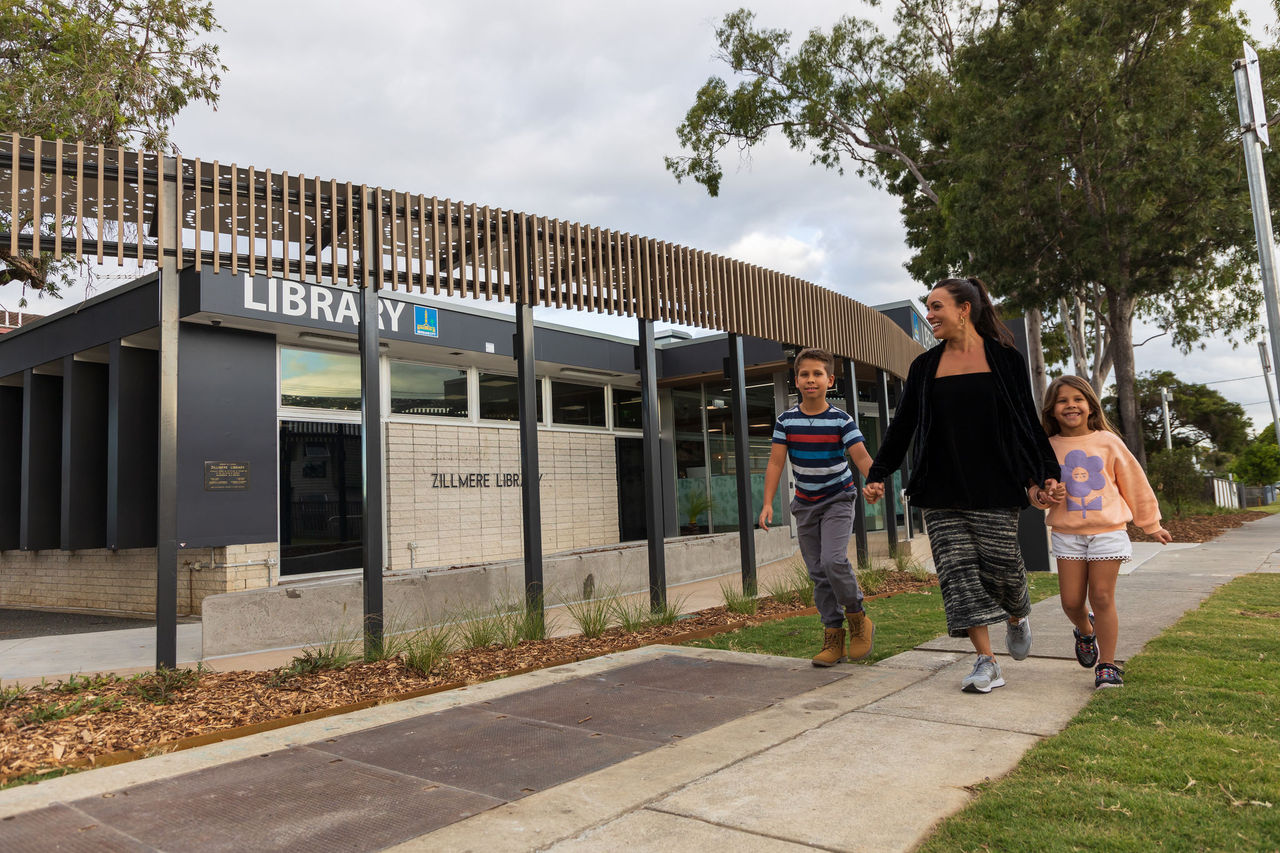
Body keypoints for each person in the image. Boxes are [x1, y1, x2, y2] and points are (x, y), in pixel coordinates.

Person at [863, 276, 1064, 694]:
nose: (930, 314)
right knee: (958, 575)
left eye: (936, 307)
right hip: (940, 487)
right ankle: (986, 661)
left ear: (964, 309)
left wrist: (1046, 472)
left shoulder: (1004, 359)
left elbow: (1024, 420)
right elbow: (904, 426)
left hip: (995, 484)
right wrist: (880, 472)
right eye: (928, 307)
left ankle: (1016, 613)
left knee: (1004, 569)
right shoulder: (924, 366)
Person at [1033, 374, 1172, 689]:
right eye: (1062, 400)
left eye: (1078, 399)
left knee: (1101, 596)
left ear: (1091, 406)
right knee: (1070, 602)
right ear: (1052, 410)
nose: (1071, 405)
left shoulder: (1108, 442)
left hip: (1108, 531)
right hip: (1067, 534)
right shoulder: (1046, 447)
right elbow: (1036, 491)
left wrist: (1151, 524)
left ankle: (1107, 665)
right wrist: (1045, 495)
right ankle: (1085, 630)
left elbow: (1134, 484)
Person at [759, 347, 876, 666]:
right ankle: (833, 636)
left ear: (830, 380)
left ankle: (857, 618)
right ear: (796, 380)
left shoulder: (841, 419)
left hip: (838, 498)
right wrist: (768, 502)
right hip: (805, 505)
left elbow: (862, 457)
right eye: (805, 374)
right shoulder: (786, 421)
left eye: (817, 374)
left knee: (833, 560)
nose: (811, 379)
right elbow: (775, 462)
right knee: (818, 573)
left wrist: (874, 481)